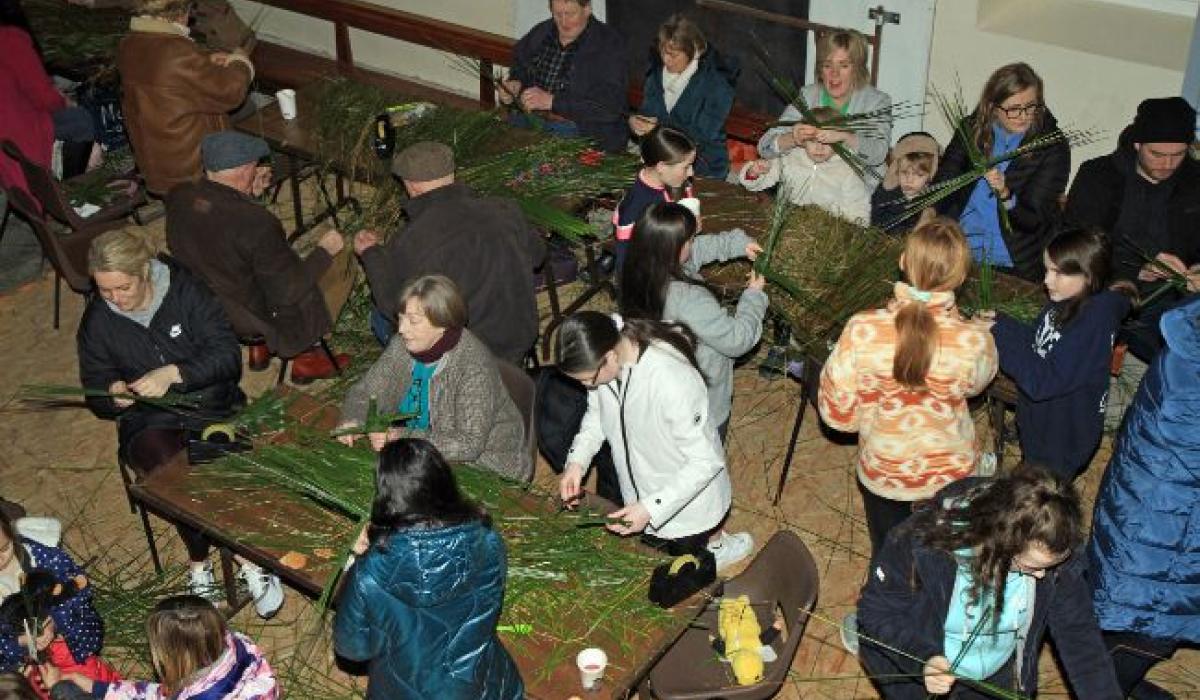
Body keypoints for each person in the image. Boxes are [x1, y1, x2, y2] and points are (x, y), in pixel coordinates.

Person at [76, 230, 283, 618]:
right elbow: (95, 390)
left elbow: (226, 359)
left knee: (218, 470)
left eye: (122, 287)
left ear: (145, 271)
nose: (115, 299)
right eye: (104, 291)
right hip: (148, 419)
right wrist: (112, 394)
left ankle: (223, 562)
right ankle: (228, 559)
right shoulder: (98, 322)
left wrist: (175, 372)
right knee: (174, 475)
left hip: (211, 405)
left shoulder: (186, 292)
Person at [856, 467, 1123, 699]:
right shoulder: (920, 543)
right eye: (1031, 567)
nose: (1043, 577)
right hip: (931, 676)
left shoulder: (1053, 549)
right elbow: (875, 611)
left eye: (1050, 567)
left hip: (996, 677)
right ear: (1000, 543)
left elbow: (1080, 638)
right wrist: (922, 659)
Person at [819, 218, 998, 559]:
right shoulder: (974, 339)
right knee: (943, 560)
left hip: (885, 468)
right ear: (960, 277)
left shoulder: (862, 329)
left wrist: (874, 414)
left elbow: (837, 415)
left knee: (890, 555)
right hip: (951, 474)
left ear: (903, 261)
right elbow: (977, 386)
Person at [557, 311, 753, 570]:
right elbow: (597, 416)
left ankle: (716, 550)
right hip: (645, 488)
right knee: (659, 554)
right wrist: (577, 462)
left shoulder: (671, 379)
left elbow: (706, 462)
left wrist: (650, 508)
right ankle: (714, 543)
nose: (586, 387)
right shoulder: (605, 366)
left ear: (610, 357)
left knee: (686, 564)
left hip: (687, 502)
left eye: (586, 380)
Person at [333, 439, 522, 699]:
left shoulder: (369, 574)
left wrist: (356, 558)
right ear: (443, 483)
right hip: (481, 684)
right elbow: (490, 602)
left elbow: (353, 648)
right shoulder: (487, 538)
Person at [166, 130, 353, 382]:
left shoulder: (179, 196)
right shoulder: (257, 224)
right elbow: (289, 290)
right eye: (255, 166)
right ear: (244, 170)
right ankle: (306, 357)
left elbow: (222, 224)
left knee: (251, 265)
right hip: (253, 316)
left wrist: (245, 197)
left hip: (210, 305)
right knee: (339, 262)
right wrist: (324, 251)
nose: (259, 170)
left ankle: (259, 347)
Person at [1089, 295, 1200, 700]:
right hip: (1166, 546)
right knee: (1143, 632)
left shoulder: (1188, 339)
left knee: (1121, 622)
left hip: (1142, 520)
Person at [353, 141, 546, 364]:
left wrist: (371, 254)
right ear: (452, 174)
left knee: (379, 315)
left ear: (411, 186)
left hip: (465, 354)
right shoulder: (505, 208)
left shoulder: (412, 240)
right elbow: (538, 255)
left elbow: (394, 306)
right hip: (520, 335)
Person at [336, 275, 531, 482]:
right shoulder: (402, 346)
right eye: (401, 317)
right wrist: (354, 418)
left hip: (483, 466)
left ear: (442, 324)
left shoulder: (473, 366)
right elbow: (367, 390)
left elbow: (468, 444)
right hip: (421, 450)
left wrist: (398, 436)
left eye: (413, 321)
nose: (402, 329)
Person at [989, 228, 1134, 481]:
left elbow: (1041, 382)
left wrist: (998, 336)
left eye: (1058, 272)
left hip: (1061, 438)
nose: (1047, 280)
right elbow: (1037, 341)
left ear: (1088, 275)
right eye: (1047, 270)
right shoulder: (1067, 300)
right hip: (1041, 425)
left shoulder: (1091, 326)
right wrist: (998, 323)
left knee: (1041, 501)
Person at [1063, 96, 1200, 362]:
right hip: (1108, 288)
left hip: (1174, 299)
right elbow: (1076, 246)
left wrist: (1195, 270)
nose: (1168, 165)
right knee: (1175, 354)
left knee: (1185, 350)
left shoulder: (1195, 182)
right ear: (1138, 143)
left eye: (1178, 155)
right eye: (1157, 154)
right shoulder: (1099, 176)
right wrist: (1138, 268)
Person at [619, 202, 766, 442]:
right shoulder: (689, 299)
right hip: (703, 401)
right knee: (705, 457)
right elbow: (738, 339)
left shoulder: (641, 268)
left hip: (665, 389)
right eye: (689, 240)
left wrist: (740, 244)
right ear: (674, 248)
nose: (694, 244)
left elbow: (696, 252)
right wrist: (754, 296)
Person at [933, 63, 1070, 282]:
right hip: (958, 251)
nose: (1024, 116)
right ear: (993, 107)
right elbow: (944, 181)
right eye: (1014, 109)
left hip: (1013, 261)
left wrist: (1006, 194)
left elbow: (1034, 220)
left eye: (1031, 106)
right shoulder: (972, 130)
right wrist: (928, 215)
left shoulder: (1052, 146)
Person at [117, 0, 253, 195]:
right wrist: (240, 61)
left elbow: (165, 76)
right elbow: (231, 92)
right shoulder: (176, 51)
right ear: (182, 12)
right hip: (189, 167)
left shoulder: (130, 43)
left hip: (157, 158)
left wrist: (206, 61)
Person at [48, 595, 277, 699]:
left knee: (63, 693)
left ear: (178, 655)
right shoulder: (238, 643)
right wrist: (97, 687)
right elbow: (161, 694)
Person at [756, 30, 892, 188]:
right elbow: (765, 147)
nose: (834, 74)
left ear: (857, 69)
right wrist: (793, 138)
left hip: (854, 194)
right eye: (828, 65)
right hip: (807, 188)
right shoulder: (808, 96)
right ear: (820, 69)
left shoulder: (876, 102)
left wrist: (844, 137)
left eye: (844, 65)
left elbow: (878, 154)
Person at [0, 1, 98, 197]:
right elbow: (42, 96)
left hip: (8, 121)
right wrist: (64, 102)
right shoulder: (10, 39)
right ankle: (71, 190)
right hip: (13, 130)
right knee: (80, 119)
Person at [504, 0, 628, 152]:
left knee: (535, 167)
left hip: (581, 132)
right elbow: (520, 66)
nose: (563, 21)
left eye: (570, 14)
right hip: (532, 120)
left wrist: (553, 102)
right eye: (557, 14)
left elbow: (609, 108)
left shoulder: (609, 44)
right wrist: (514, 85)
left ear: (587, 9)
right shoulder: (543, 32)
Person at [629, 14, 737, 179]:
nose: (666, 60)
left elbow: (703, 136)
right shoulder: (656, 75)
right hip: (661, 162)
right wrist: (637, 122)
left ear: (695, 50)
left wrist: (657, 129)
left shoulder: (716, 84)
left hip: (702, 168)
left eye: (674, 55)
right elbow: (647, 112)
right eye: (663, 52)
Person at [0, 513, 101, 676]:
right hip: (20, 662)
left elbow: (80, 589)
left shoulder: (43, 557)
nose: (0, 560)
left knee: (88, 678)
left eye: (5, 548)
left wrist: (54, 621)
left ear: (12, 534)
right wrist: (19, 642)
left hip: (69, 643)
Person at [738, 106, 871, 223]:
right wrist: (754, 172)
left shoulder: (848, 169)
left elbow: (858, 206)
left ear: (838, 142)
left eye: (826, 143)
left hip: (827, 228)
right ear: (803, 140)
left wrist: (854, 234)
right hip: (787, 221)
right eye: (813, 141)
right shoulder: (791, 156)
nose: (819, 148)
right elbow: (760, 181)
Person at [612, 126, 696, 272]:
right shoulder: (636, 208)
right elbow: (626, 261)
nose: (691, 173)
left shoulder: (675, 181)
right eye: (686, 166)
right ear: (661, 166)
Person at [871, 132, 940, 231]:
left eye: (919, 175)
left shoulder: (933, 197)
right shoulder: (885, 195)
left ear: (930, 174)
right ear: (896, 170)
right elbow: (876, 223)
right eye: (904, 173)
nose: (909, 180)